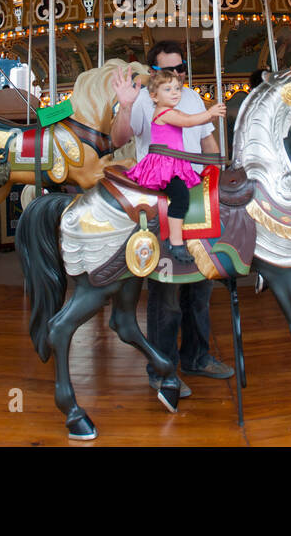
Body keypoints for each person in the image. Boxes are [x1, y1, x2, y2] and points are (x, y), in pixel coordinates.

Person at [111, 40, 234, 395]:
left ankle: (197, 356)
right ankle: (162, 367)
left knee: (200, 283)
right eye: (171, 70)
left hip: (196, 191)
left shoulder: (191, 97)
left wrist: (219, 174)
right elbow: (118, 138)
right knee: (166, 289)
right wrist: (125, 106)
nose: (179, 76)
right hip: (161, 193)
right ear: (154, 72)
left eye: (183, 69)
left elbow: (207, 141)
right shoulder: (145, 100)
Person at [122, 70, 226, 265]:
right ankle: (176, 242)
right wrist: (209, 113)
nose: (175, 92)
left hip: (173, 163)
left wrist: (208, 117)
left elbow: (190, 117)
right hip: (163, 166)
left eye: (177, 88)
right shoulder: (164, 113)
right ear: (154, 96)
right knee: (180, 197)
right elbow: (188, 122)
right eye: (168, 89)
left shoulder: (173, 111)